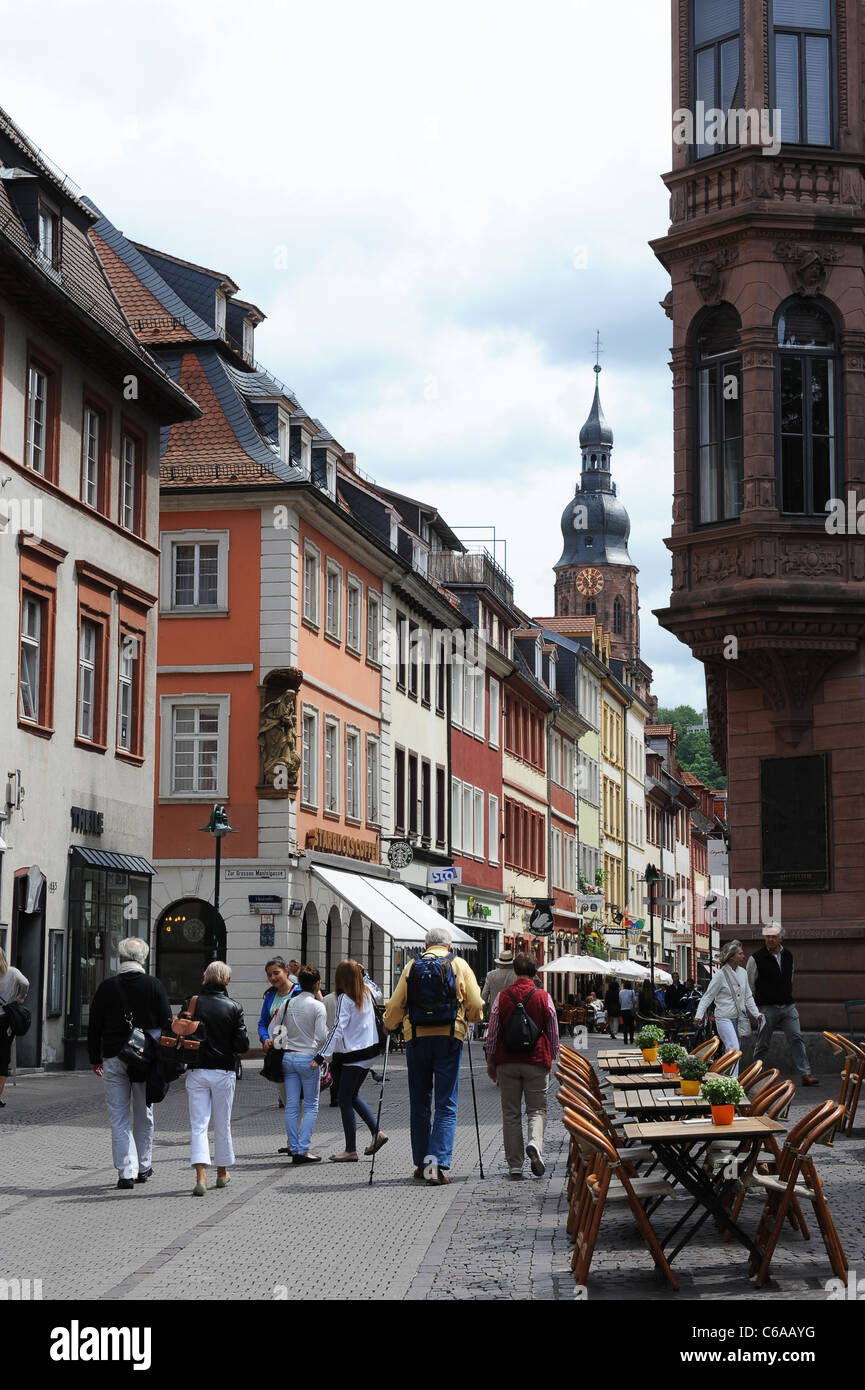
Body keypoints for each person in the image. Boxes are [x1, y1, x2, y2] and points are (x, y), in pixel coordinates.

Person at [384, 924, 484, 1185]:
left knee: (419, 1101)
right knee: (445, 1103)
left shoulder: (411, 965)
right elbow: (474, 1003)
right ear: (448, 946)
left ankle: (421, 1164)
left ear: (426, 946)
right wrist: (473, 1018)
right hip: (449, 1038)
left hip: (416, 1038)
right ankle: (435, 1166)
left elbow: (395, 1006)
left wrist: (389, 1024)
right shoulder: (458, 964)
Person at [87, 938, 172, 1190]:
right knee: (144, 1112)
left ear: (120, 958)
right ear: (143, 959)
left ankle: (126, 1171)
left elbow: (95, 1026)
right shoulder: (154, 985)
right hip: (145, 1058)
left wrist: (94, 1057)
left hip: (114, 1056)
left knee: (119, 1115)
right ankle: (144, 1166)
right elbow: (166, 1022)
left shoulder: (107, 987)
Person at [484, 952, 560, 1179]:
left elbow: (493, 1030)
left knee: (511, 1113)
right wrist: (552, 1056)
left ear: (516, 971)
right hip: (536, 1061)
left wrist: (491, 1059)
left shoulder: (503, 997)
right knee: (537, 1109)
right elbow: (553, 1030)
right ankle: (535, 1144)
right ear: (535, 972)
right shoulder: (543, 996)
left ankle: (515, 1165)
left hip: (507, 1061)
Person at [184, 961, 249, 1196]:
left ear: (205, 979)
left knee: (198, 1125)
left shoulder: (191, 1003)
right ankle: (222, 1172)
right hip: (223, 1071)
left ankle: (200, 1175)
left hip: (196, 1070)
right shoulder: (234, 1007)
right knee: (223, 1123)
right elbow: (242, 1045)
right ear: (226, 981)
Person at [315, 959, 387, 1162]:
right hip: (369, 1052)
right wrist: (365, 975)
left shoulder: (345, 999)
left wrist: (321, 1056)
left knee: (344, 1098)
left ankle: (350, 1149)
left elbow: (337, 1029)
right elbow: (378, 991)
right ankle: (376, 1133)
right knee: (352, 1096)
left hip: (353, 1055)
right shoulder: (366, 991)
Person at [746, 923, 819, 1086]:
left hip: (787, 1006)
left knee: (796, 1037)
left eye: (773, 936)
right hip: (766, 1008)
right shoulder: (755, 958)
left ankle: (806, 1074)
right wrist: (754, 1010)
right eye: (767, 936)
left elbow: (790, 977)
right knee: (762, 1043)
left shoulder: (788, 955)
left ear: (781, 938)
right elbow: (749, 985)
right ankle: (755, 1075)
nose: (770, 939)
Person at [270, 964, 328, 1162]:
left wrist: (286, 1041)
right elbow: (322, 1036)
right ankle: (303, 1149)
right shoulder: (318, 1006)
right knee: (311, 1105)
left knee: (292, 1105)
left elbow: (274, 1030)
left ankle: (294, 1148)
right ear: (317, 984)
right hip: (308, 1059)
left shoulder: (287, 1003)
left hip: (288, 1057)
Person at [694, 940, 762, 1077]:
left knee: (732, 1050)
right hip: (723, 1017)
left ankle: (725, 1076)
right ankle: (733, 1080)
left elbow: (748, 996)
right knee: (733, 1048)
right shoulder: (720, 975)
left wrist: (757, 1014)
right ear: (732, 957)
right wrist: (698, 1015)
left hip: (739, 1017)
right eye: (740, 954)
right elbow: (708, 996)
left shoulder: (743, 973)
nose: (744, 956)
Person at [258, 956, 296, 1110]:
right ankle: (295, 1133)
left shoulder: (299, 992)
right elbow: (263, 1022)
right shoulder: (270, 996)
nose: (272, 978)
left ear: (286, 971)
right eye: (269, 975)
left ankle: (302, 1132)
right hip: (278, 1052)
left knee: (300, 1100)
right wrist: (265, 1038)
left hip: (298, 1051)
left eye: (276, 973)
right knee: (287, 1101)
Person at [0, 949, 29, 1108]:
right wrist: (20, 998)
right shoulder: (12, 972)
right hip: (5, 1019)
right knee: (3, 1058)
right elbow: (25, 983)